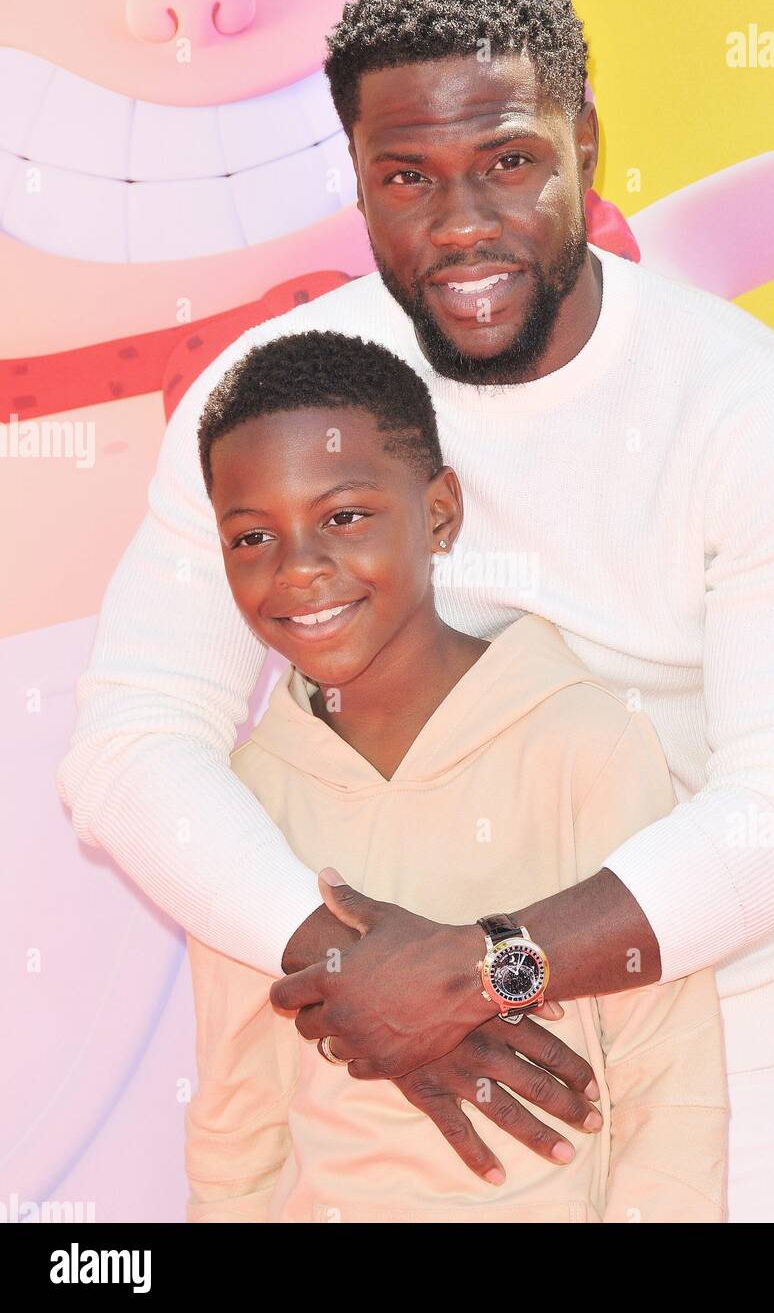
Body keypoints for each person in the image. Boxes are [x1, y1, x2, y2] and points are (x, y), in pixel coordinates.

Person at [57, 0, 774, 1222]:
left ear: (586, 144)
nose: (460, 226)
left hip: (709, 1071)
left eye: (507, 162)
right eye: (407, 178)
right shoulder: (270, 396)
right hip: (354, 1080)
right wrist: (362, 971)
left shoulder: (756, 407)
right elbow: (127, 747)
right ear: (355, 177)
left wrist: (484, 968)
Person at [183, 328, 727, 1223]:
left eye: (344, 516)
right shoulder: (241, 796)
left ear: (438, 513)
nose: (300, 570)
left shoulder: (582, 741)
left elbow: (671, 1083)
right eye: (252, 537)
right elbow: (238, 1108)